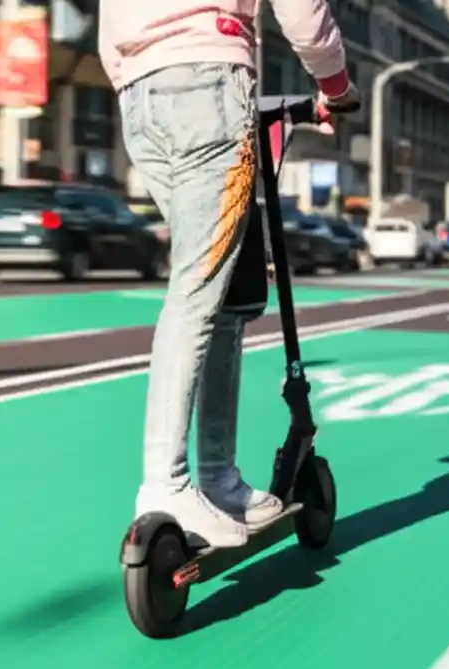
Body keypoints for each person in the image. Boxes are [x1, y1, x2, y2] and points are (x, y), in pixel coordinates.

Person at [98, 1, 361, 549]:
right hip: (208, 87)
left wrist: (134, 69)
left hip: (139, 98)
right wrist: (336, 87)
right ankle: (166, 485)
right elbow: (302, 12)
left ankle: (219, 479)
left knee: (220, 290)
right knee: (198, 290)